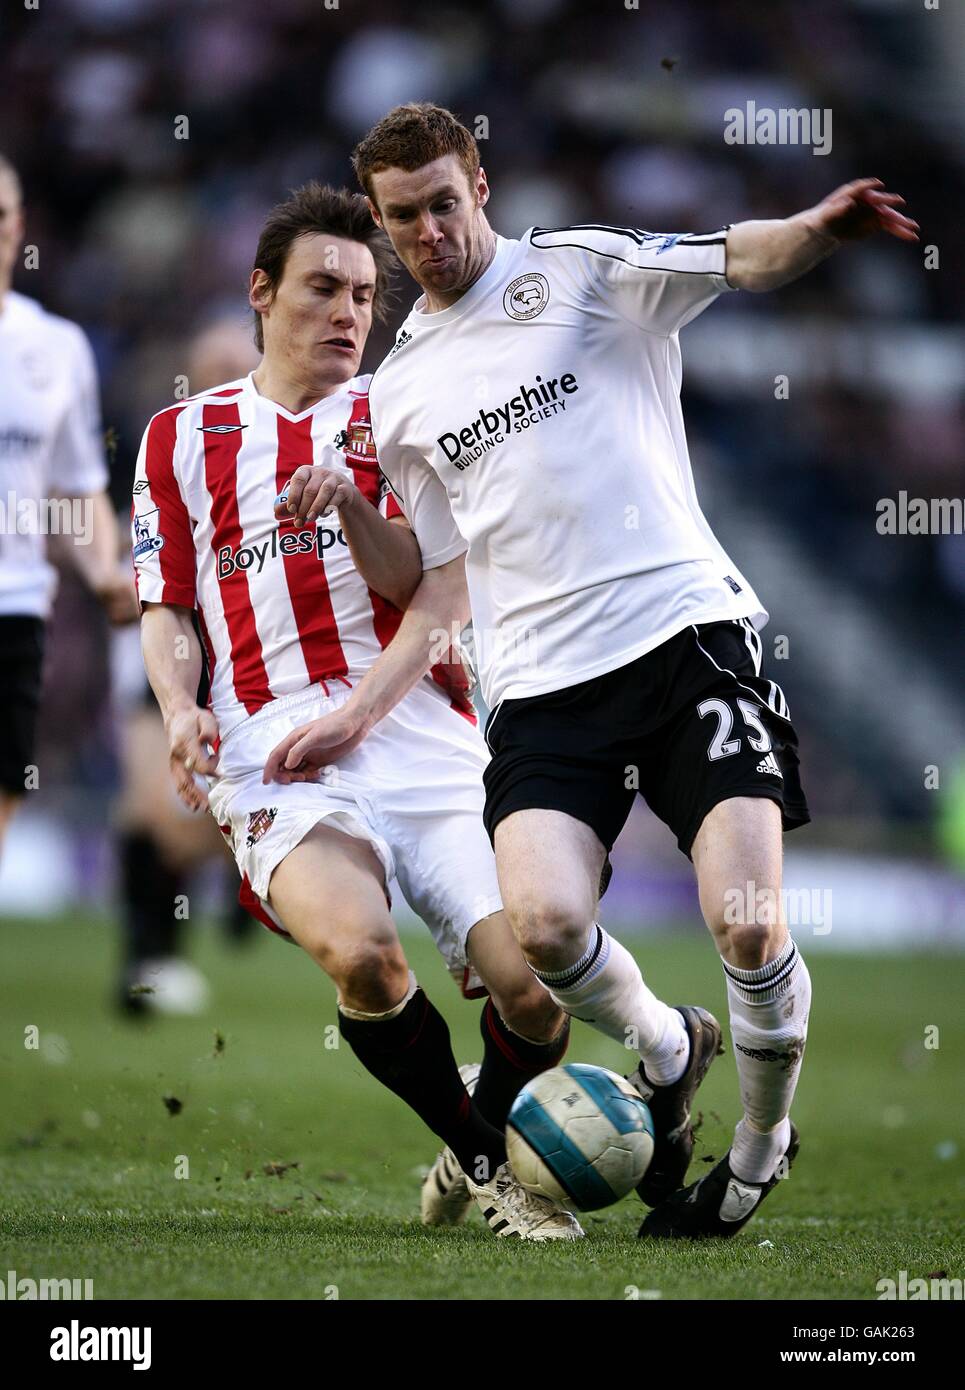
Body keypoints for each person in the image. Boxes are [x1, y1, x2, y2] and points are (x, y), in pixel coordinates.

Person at [271, 104, 918, 1239]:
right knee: (547, 928)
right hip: (539, 687)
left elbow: (736, 253)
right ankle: (670, 1053)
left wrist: (814, 228)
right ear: (377, 225)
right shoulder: (400, 388)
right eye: (400, 218)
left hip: (683, 637)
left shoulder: (584, 269)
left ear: (480, 179)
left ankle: (756, 1154)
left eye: (441, 202)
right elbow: (431, 567)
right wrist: (350, 512)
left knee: (750, 924)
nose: (426, 232)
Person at [131, 181, 579, 1240]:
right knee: (367, 958)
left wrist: (345, 497)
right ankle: (488, 1166)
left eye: (365, 293)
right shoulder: (179, 436)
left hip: (420, 729)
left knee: (536, 994)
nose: (348, 311)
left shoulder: (400, 411)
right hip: (273, 746)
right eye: (323, 286)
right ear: (259, 292)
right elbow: (168, 607)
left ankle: (466, 1132)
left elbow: (430, 579)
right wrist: (177, 706)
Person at [0, 152, 137, 864]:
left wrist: (106, 571)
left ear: (18, 224)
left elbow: (77, 489)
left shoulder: (56, 348)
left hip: (17, 607)